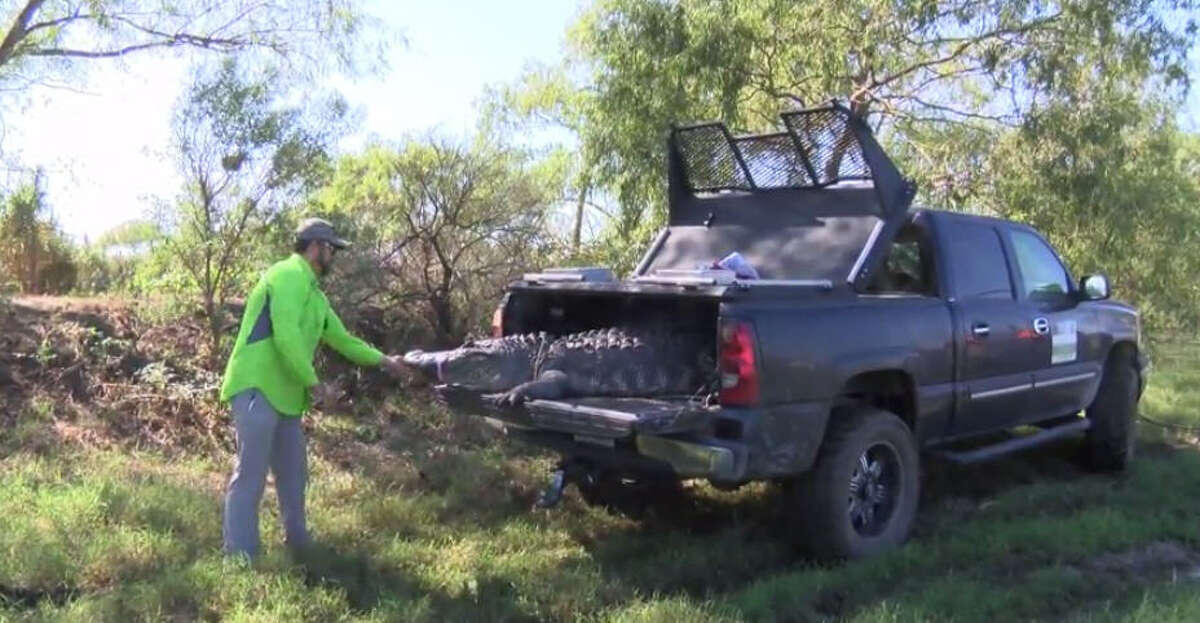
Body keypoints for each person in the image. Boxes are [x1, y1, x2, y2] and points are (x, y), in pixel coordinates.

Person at [219, 217, 405, 560]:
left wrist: (385, 361)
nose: (334, 256)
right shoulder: (287, 274)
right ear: (316, 246)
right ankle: (240, 558)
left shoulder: (316, 297)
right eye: (332, 249)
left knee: (293, 475)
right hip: (256, 387)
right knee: (251, 476)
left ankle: (299, 544)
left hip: (287, 398)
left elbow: (344, 340)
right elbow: (285, 333)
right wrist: (315, 384)